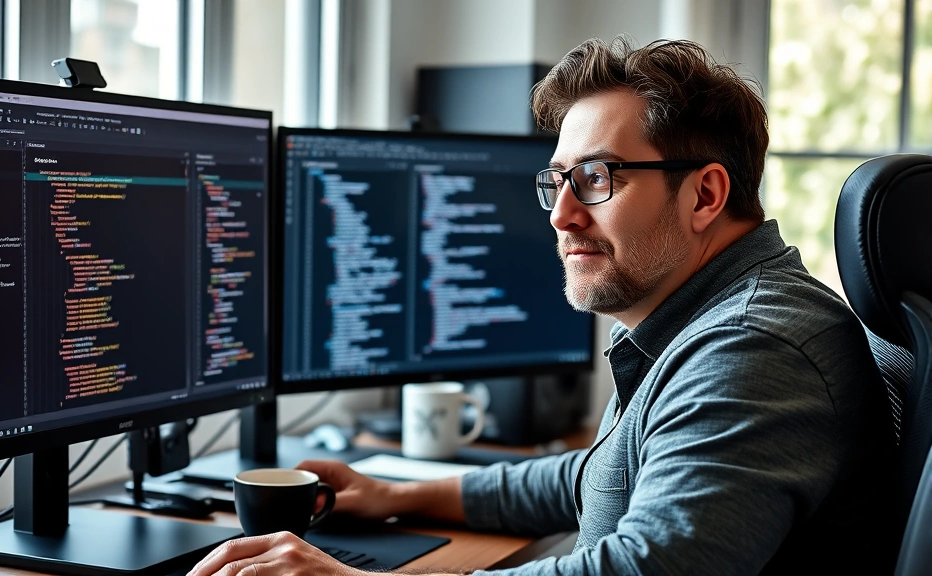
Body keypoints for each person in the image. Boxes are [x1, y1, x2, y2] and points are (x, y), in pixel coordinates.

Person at [187, 37, 895, 576]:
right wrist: (395, 494)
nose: (560, 216)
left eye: (594, 178)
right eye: (556, 181)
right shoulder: (697, 325)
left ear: (706, 195)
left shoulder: (754, 347)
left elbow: (644, 570)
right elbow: (599, 473)